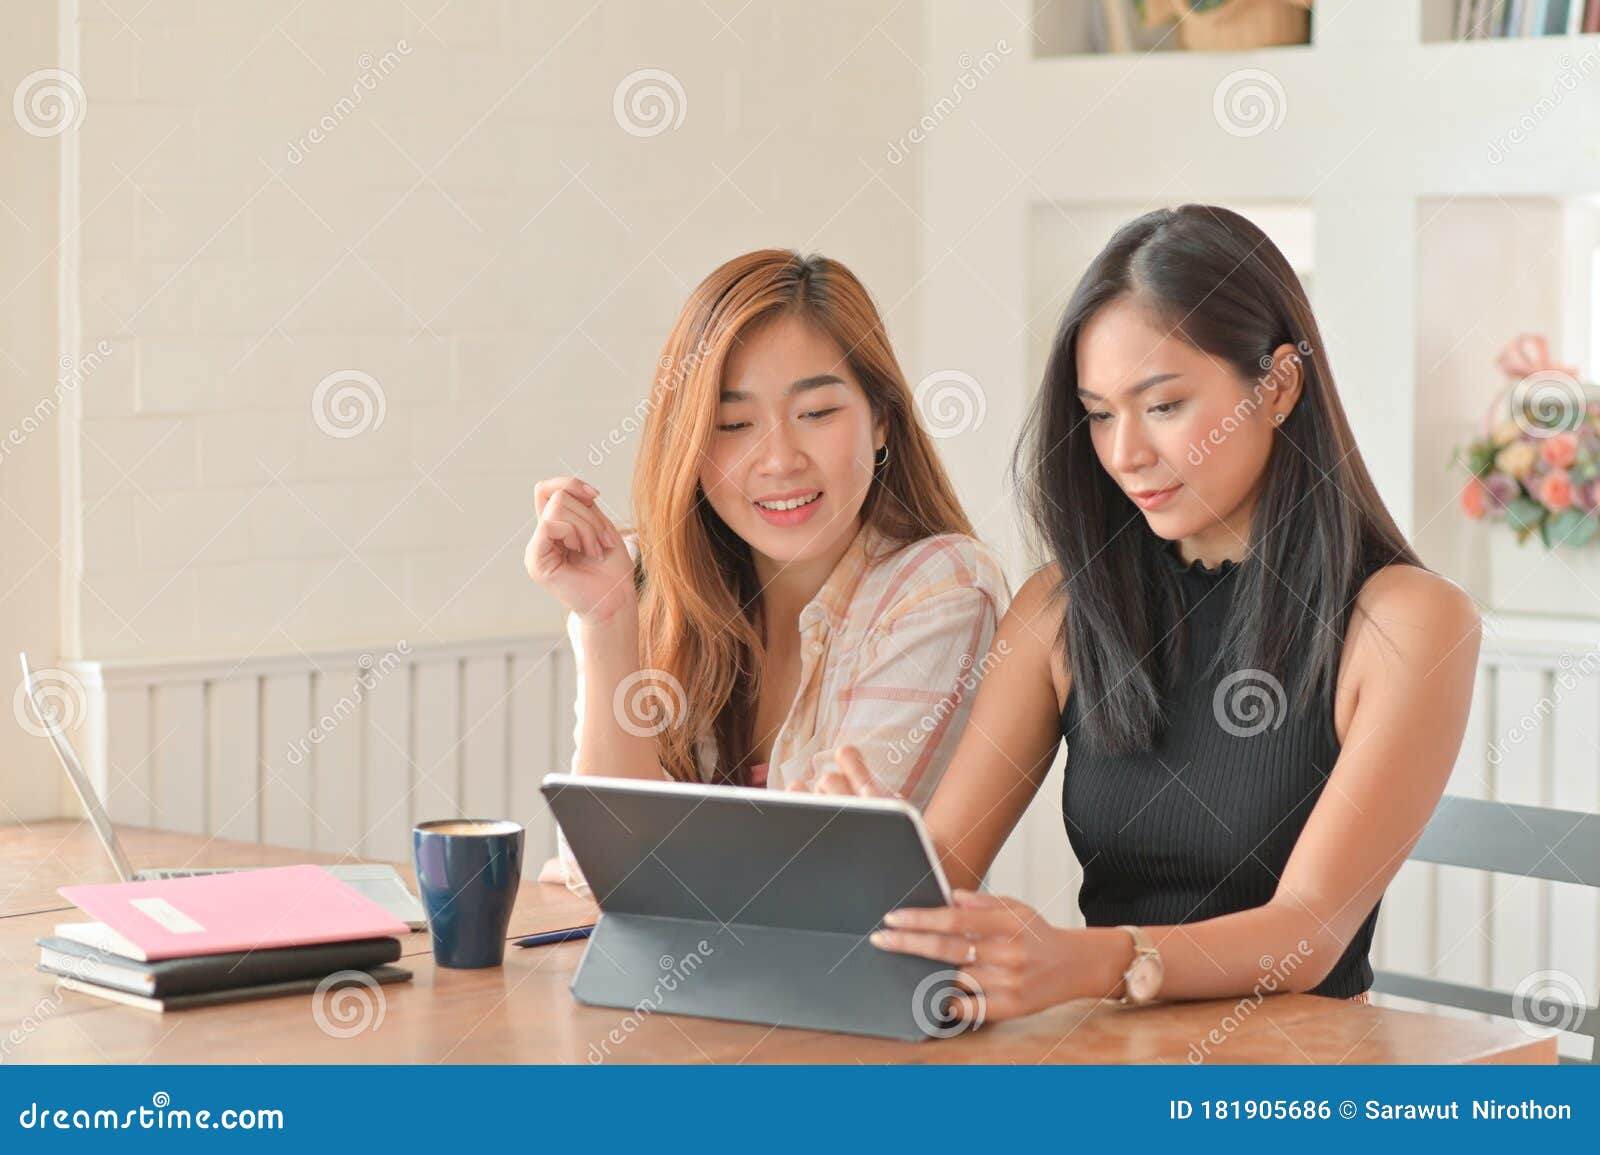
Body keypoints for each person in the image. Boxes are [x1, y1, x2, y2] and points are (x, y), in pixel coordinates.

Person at [805, 205, 1480, 1020]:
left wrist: (1097, 959)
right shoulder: (1059, 609)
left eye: (1162, 406)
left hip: (1304, 1066)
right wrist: (880, 861)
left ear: (1278, 385)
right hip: (1111, 1055)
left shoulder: (1406, 620)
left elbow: (1309, 931)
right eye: (1099, 413)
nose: (1124, 453)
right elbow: (945, 865)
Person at [524, 249, 1010, 891]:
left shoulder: (939, 589)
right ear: (690, 445)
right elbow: (606, 866)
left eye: (817, 413)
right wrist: (608, 618)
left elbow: (820, 887)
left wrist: (640, 862)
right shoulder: (647, 582)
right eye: (733, 423)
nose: (779, 459)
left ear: (882, 421)